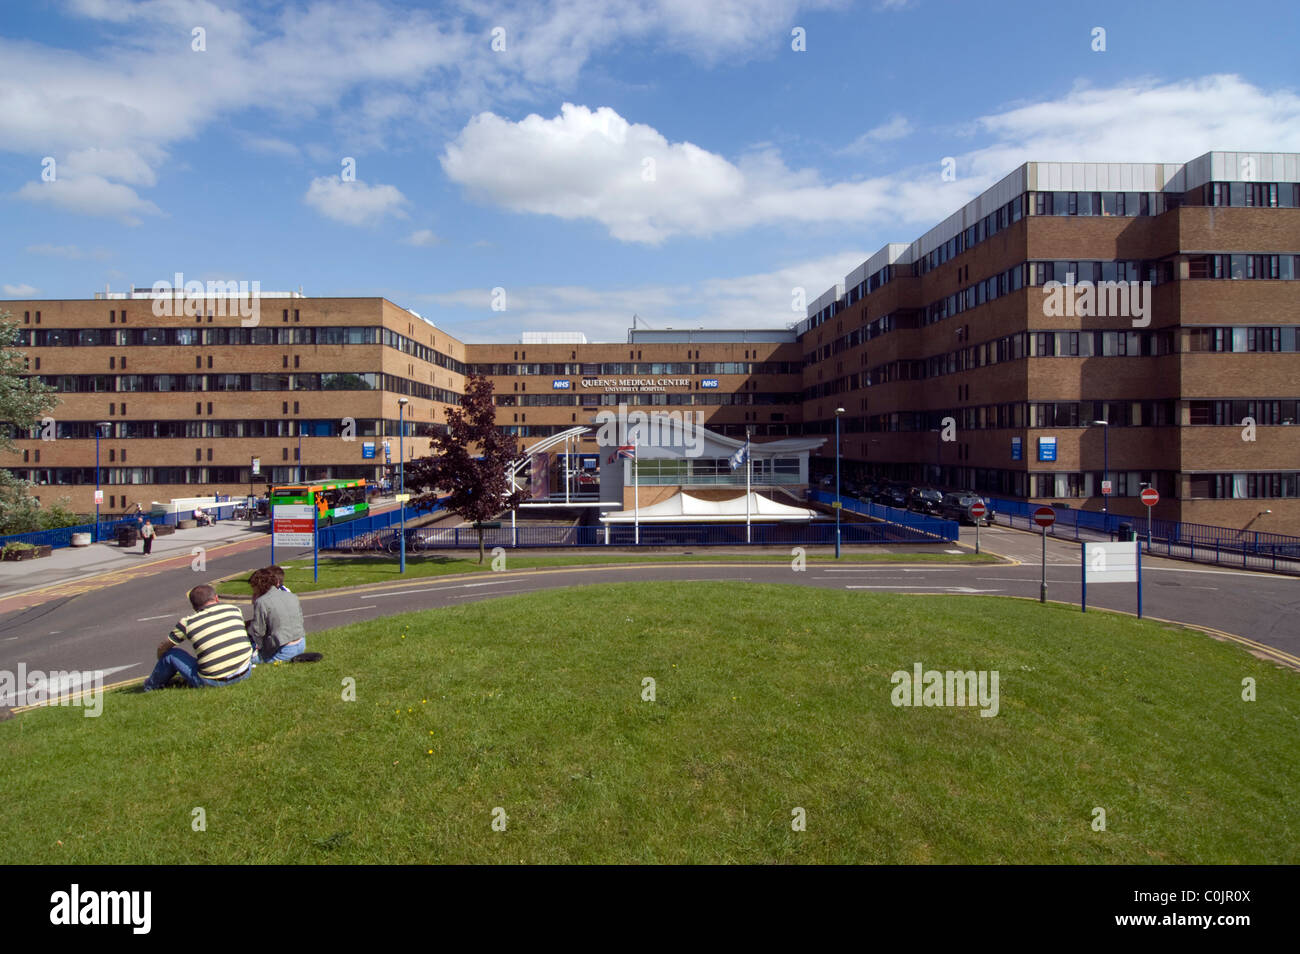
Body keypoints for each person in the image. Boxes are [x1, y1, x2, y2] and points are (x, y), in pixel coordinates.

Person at [142, 585, 253, 690]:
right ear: (216, 598)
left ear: (194, 606)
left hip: (212, 681)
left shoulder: (188, 623)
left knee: (170, 655)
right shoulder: (234, 610)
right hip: (245, 672)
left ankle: (150, 686)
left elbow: (163, 647)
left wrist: (161, 659)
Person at [247, 566, 306, 662]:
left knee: (243, 659)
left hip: (284, 650)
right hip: (301, 644)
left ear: (258, 586)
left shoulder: (262, 602)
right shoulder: (291, 596)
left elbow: (258, 632)